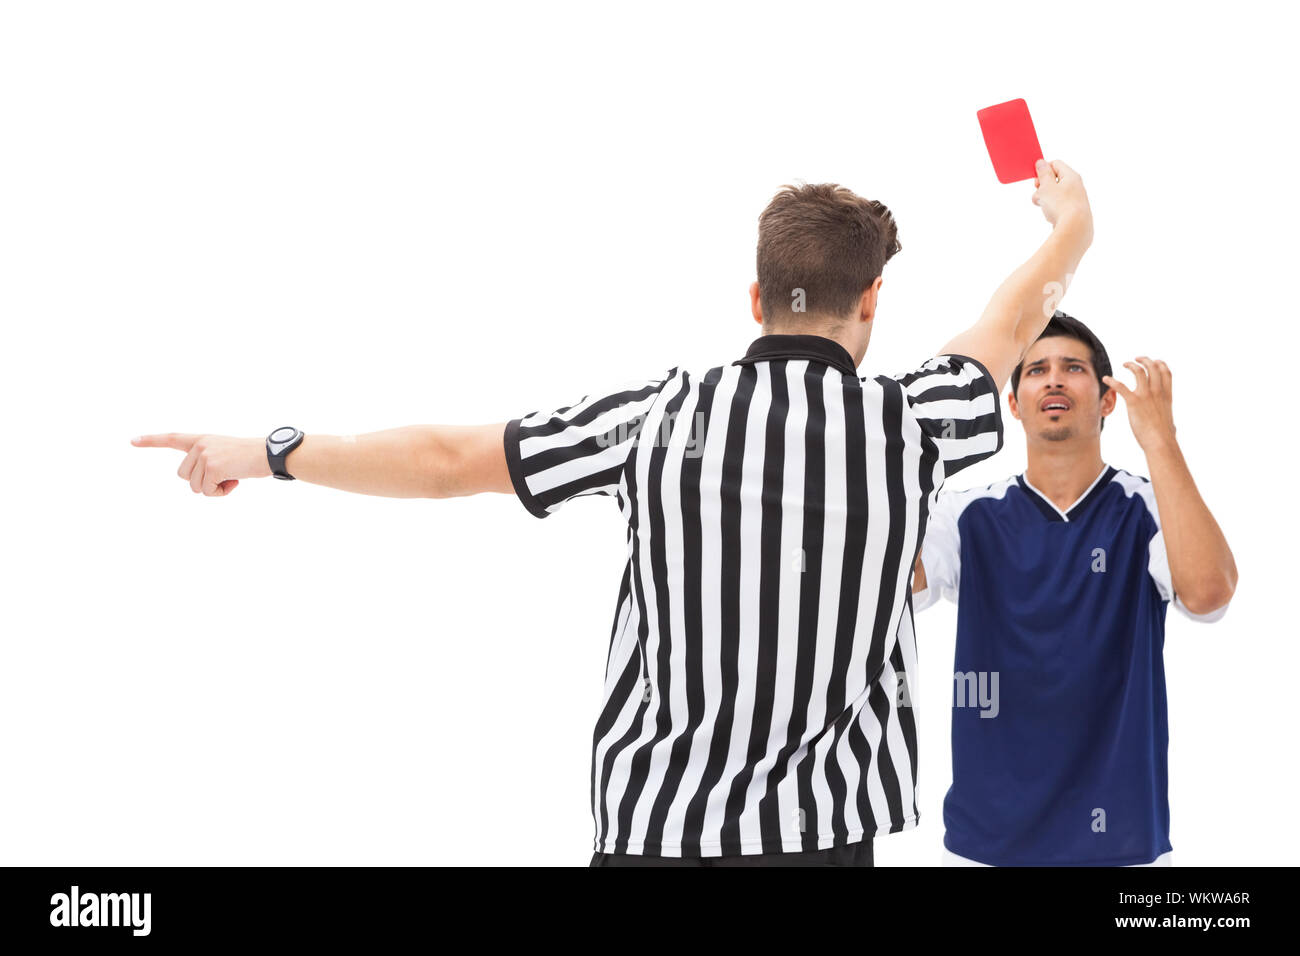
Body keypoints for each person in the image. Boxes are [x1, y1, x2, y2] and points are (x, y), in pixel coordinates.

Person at [133, 158, 1094, 866]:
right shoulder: (914, 421)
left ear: (756, 297)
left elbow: (447, 460)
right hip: (821, 840)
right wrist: (1069, 228)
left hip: (653, 836)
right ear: (873, 299)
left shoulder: (654, 417)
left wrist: (270, 453)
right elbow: (1009, 325)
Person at [913, 312, 1237, 867]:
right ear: (1013, 404)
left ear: (1107, 399)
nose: (1054, 380)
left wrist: (1161, 439)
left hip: (1117, 836)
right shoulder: (966, 513)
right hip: (991, 837)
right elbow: (887, 582)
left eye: (1073, 368)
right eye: (1035, 370)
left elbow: (1209, 593)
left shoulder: (1147, 508)